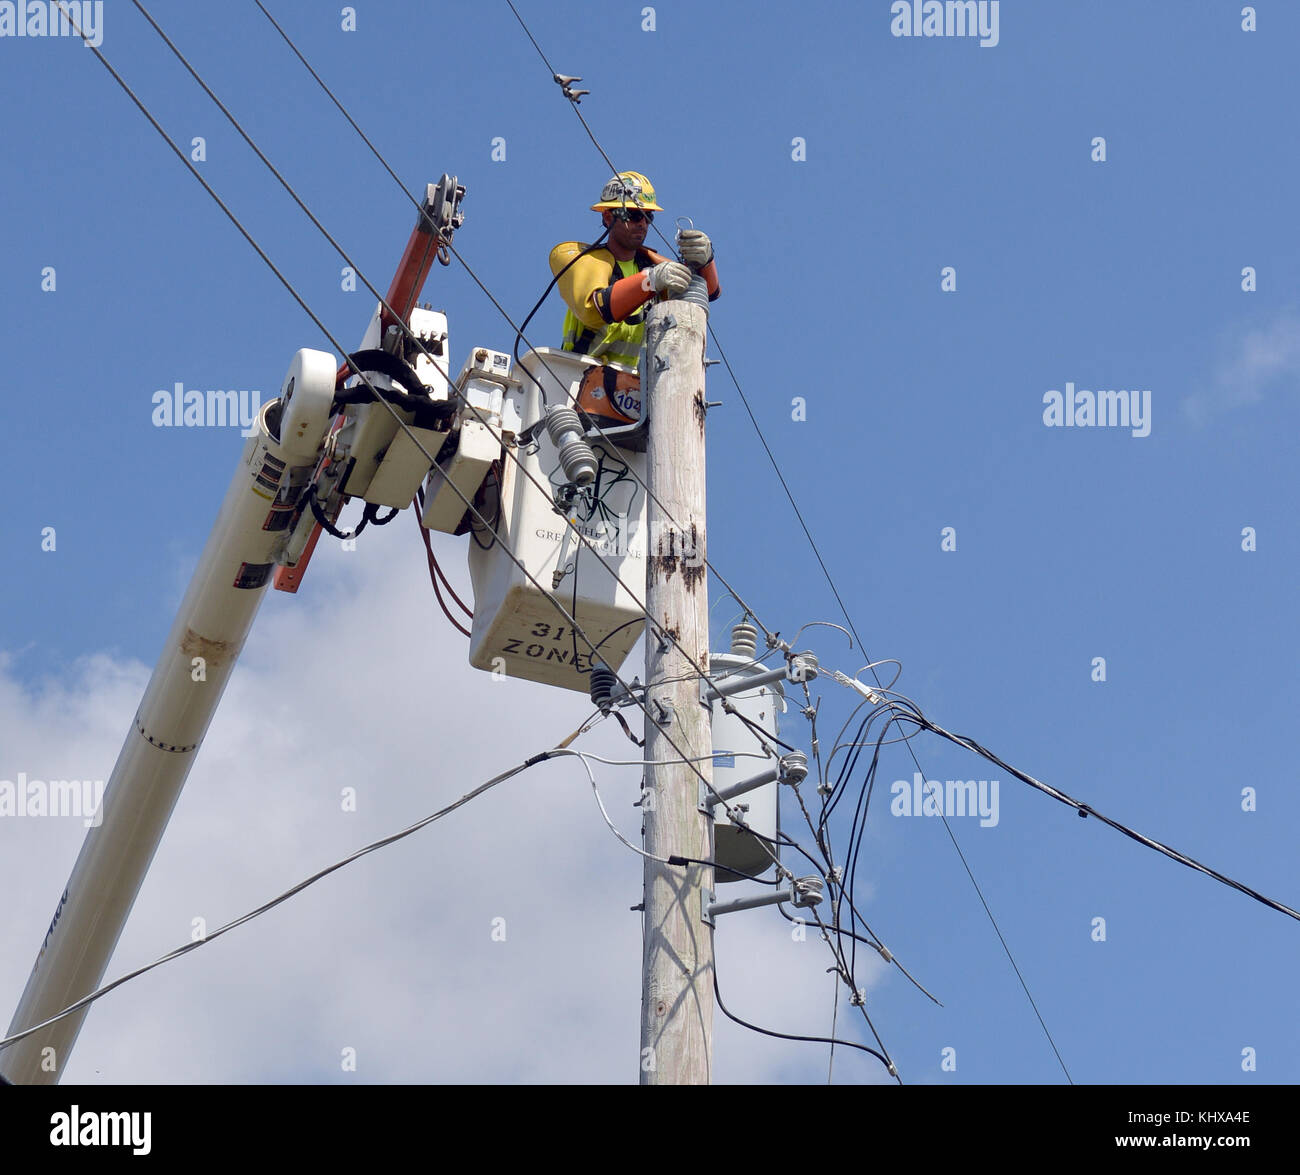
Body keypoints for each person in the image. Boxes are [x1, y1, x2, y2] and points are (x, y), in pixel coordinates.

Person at [549, 171, 719, 425]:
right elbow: (594, 308)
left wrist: (705, 260)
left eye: (648, 217)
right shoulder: (585, 262)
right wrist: (650, 281)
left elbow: (705, 293)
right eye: (634, 215)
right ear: (608, 217)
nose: (643, 224)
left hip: (631, 395)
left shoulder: (650, 266)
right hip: (577, 384)